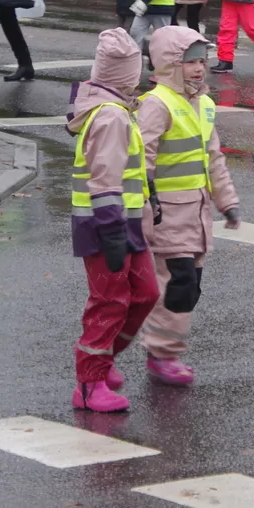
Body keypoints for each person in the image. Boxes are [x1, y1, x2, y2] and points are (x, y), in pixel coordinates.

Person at [137, 27, 240, 386]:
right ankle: (162, 355)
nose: (199, 68)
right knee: (179, 283)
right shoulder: (157, 103)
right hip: (165, 215)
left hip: (196, 215)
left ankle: (161, 347)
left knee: (190, 286)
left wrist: (227, 202)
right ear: (169, 64)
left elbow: (213, 159)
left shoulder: (203, 104)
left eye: (202, 60)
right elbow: (141, 160)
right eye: (190, 61)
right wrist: (139, 207)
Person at [68, 29, 160, 412]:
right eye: (134, 72)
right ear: (123, 75)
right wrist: (111, 232)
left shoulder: (121, 111)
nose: (138, 79)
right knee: (109, 301)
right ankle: (89, 384)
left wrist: (150, 200)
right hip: (107, 228)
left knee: (146, 294)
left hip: (127, 224)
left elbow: (130, 171)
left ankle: (102, 361)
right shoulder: (110, 117)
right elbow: (105, 180)